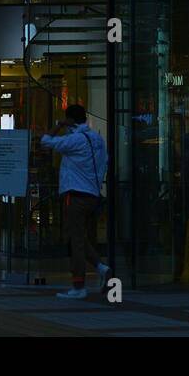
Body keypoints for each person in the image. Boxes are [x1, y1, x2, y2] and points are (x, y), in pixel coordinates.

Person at [39, 103, 110, 299]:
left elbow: (45, 141)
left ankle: (78, 287)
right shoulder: (97, 139)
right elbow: (106, 161)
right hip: (93, 195)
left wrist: (59, 125)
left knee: (75, 241)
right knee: (80, 237)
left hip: (76, 195)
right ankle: (102, 267)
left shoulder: (74, 140)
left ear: (70, 119)